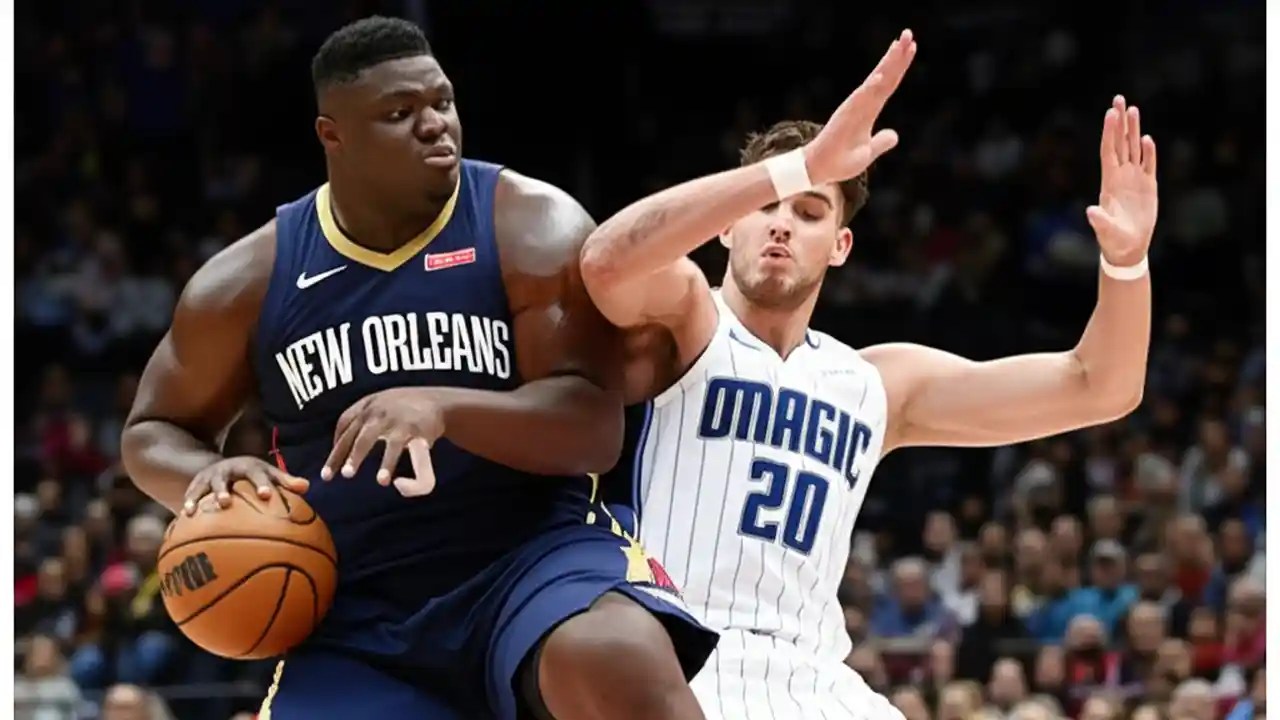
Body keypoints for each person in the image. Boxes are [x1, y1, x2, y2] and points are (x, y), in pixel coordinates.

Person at [120, 16, 716, 720]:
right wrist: (203, 476)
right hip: (353, 603)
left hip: (530, 558)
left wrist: (445, 407)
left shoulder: (530, 225)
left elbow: (592, 428)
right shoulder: (246, 282)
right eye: (400, 114)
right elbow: (151, 429)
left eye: (442, 103)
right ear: (331, 135)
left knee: (616, 661)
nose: (434, 126)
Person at [581, 28, 1159, 719]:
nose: (781, 224)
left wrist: (1126, 263)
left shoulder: (876, 382)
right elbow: (603, 261)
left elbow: (1102, 386)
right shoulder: (683, 318)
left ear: (841, 246)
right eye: (762, 206)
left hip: (817, 677)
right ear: (724, 228)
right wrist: (794, 169)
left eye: (808, 210)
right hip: (679, 657)